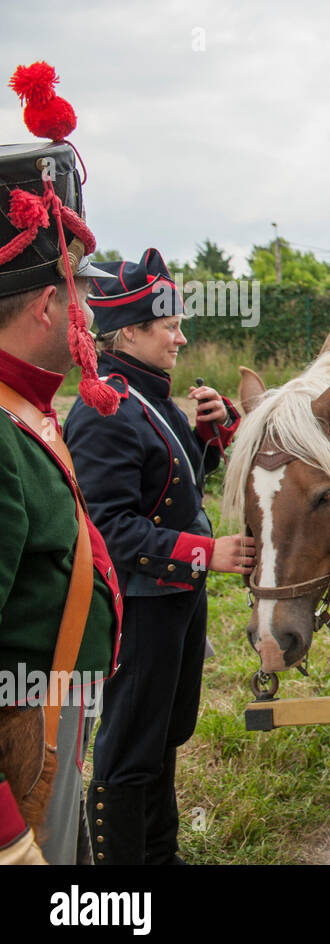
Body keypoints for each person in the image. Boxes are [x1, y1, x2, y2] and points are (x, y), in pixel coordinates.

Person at [63, 249, 252, 864]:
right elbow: (112, 531)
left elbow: (169, 490)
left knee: (164, 738)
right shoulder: (104, 408)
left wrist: (206, 437)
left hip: (175, 603)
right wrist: (208, 553)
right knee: (126, 753)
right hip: (140, 610)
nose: (181, 335)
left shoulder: (148, 399)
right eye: (168, 325)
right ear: (131, 330)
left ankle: (159, 859)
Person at [0, 77, 122, 866]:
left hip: (50, 724)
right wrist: (8, 835)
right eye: (77, 293)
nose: (87, 315)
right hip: (19, 754)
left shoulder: (27, 404)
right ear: (48, 304)